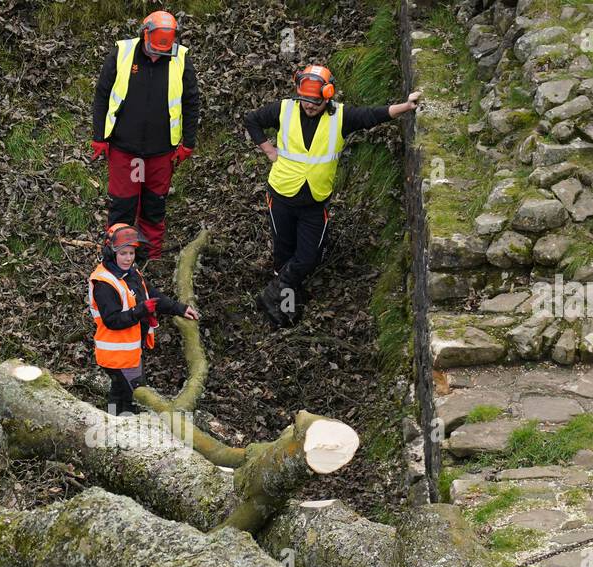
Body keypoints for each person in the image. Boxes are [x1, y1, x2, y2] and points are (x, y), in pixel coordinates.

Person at [243, 65, 422, 326]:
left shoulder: (340, 117)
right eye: (304, 101)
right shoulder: (284, 109)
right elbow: (252, 119)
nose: (308, 107)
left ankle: (273, 296)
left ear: (327, 96)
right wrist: (269, 150)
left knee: (307, 257)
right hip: (281, 195)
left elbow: (371, 115)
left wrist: (405, 107)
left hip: (315, 202)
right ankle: (284, 309)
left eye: (314, 102)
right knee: (283, 252)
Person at [91, 10, 201, 262]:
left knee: (153, 207)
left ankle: (149, 260)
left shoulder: (181, 59)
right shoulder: (122, 53)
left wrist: (188, 142)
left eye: (162, 50)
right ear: (144, 34)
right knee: (123, 206)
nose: (156, 55)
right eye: (153, 49)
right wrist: (99, 136)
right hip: (124, 149)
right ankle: (116, 258)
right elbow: (102, 95)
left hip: (161, 152)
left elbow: (191, 102)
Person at [89, 222, 199, 416]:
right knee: (138, 397)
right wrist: (139, 311)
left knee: (119, 393)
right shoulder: (104, 283)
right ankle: (127, 431)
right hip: (117, 355)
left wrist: (180, 309)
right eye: (123, 253)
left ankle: (112, 424)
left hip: (129, 352)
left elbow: (153, 295)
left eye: (131, 253)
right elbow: (112, 320)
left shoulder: (132, 273)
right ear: (111, 252)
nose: (128, 258)